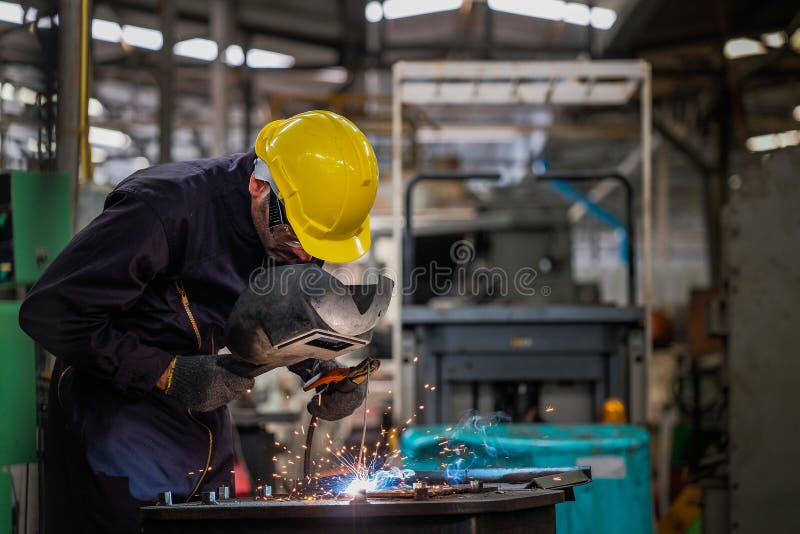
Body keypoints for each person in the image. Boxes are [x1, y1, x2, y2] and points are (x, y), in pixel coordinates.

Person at [18, 110, 379, 534]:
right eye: (297, 236)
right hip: (113, 425)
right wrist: (166, 373)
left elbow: (276, 311)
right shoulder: (161, 209)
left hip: (200, 422)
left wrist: (319, 366)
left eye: (317, 245)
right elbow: (48, 312)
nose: (304, 256)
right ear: (259, 185)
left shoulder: (284, 231)